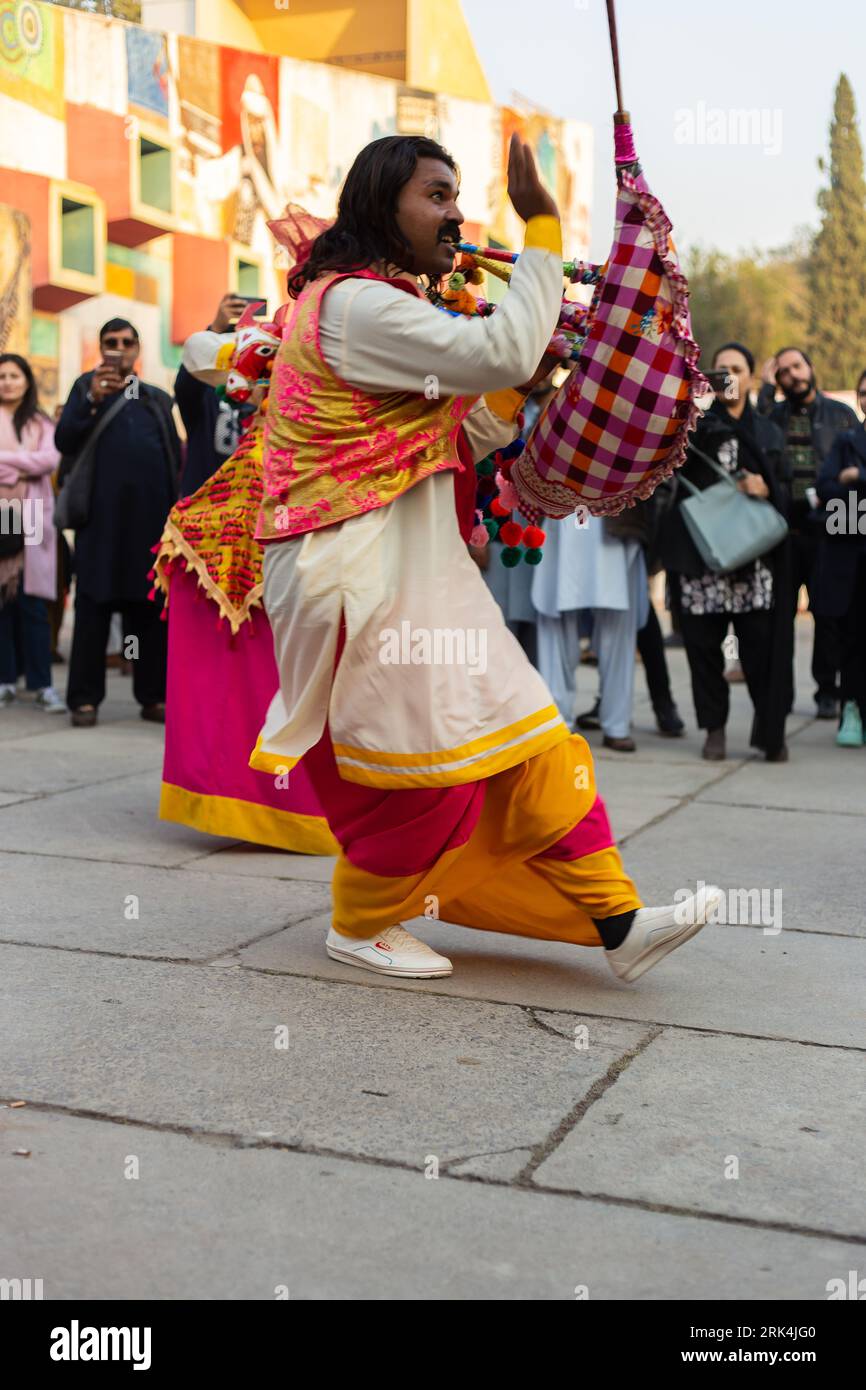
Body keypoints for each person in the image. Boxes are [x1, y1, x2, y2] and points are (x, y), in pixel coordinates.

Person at [248, 133, 721, 983]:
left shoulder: (383, 306)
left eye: (456, 194)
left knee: (529, 736)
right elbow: (496, 352)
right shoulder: (355, 305)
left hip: (414, 570)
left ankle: (618, 921)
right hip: (354, 570)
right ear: (380, 203)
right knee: (429, 768)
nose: (457, 213)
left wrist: (537, 378)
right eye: (436, 194)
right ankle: (358, 922)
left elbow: (465, 425)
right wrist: (541, 226)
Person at [658, 342, 790, 761]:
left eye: (737, 368)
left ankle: (769, 731)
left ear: (751, 376)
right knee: (702, 648)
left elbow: (788, 487)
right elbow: (667, 480)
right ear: (708, 379)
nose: (729, 376)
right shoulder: (691, 428)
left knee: (761, 651)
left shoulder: (768, 431)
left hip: (754, 560)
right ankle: (714, 729)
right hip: (702, 559)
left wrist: (766, 489)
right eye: (720, 370)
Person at [55, 319, 181, 727]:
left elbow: (172, 460)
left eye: (127, 342)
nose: (118, 349)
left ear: (138, 350)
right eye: (111, 342)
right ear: (101, 347)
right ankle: (85, 700)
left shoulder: (157, 398)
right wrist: (91, 398)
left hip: (149, 526)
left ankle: (152, 695)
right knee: (93, 610)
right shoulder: (83, 389)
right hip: (99, 525)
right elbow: (64, 441)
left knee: (145, 614)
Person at [764, 346, 858, 719]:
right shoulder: (772, 416)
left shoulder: (842, 416)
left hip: (828, 532)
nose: (793, 375)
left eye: (797, 367)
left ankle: (827, 691)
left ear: (811, 368)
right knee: (778, 618)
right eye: (784, 371)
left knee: (829, 617)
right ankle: (780, 694)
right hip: (784, 532)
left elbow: (853, 480)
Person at [0, 353, 64, 711]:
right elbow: (34, 464)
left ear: (26, 381)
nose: (7, 382)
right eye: (2, 376)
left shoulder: (40, 422)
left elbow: (49, 461)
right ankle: (5, 680)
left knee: (34, 604)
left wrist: (4, 463)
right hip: (4, 515)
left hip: (34, 516)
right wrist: (21, 468)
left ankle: (42, 684)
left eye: (13, 375)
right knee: (3, 601)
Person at [815, 367, 866, 748]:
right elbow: (825, 488)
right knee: (852, 638)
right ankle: (851, 708)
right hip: (853, 554)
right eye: (863, 392)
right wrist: (848, 481)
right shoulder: (847, 441)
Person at [174, 294, 258, 499]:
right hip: (204, 505)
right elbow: (187, 380)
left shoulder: (264, 396)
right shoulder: (205, 395)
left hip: (248, 505)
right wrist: (216, 329)